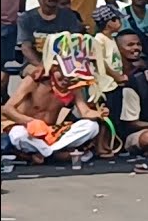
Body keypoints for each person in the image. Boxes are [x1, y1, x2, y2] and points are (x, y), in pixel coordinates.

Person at [2, 33, 102, 162]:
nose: (67, 80)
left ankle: (48, 152)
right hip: (27, 130)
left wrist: (100, 114)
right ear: (54, 67)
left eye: (71, 77)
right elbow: (7, 109)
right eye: (63, 75)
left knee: (91, 127)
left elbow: (85, 112)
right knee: (18, 135)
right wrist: (30, 122)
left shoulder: (73, 86)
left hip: (52, 133)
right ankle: (53, 153)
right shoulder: (35, 79)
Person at [16, 0, 84, 77]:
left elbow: (76, 46)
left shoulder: (70, 17)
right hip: (34, 65)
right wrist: (44, 68)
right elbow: (26, 48)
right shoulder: (26, 18)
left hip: (63, 66)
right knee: (39, 76)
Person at [89, 5, 127, 103]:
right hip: (105, 87)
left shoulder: (111, 38)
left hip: (114, 84)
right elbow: (100, 61)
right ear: (109, 22)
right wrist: (117, 77)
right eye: (117, 19)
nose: (120, 22)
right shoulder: (99, 39)